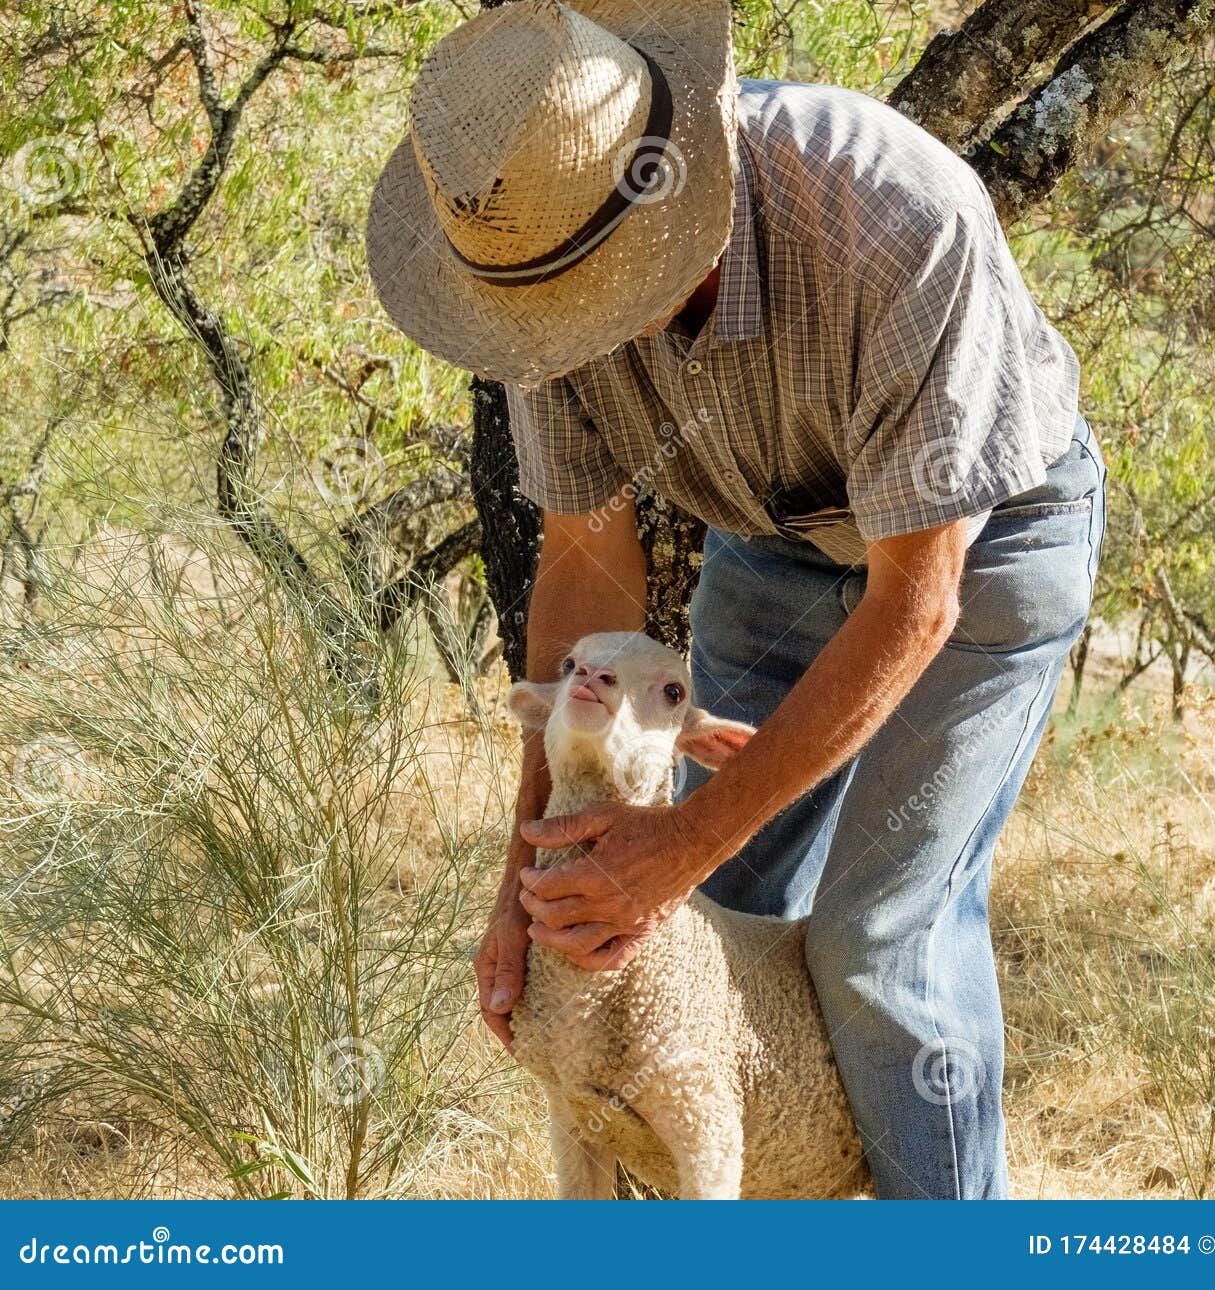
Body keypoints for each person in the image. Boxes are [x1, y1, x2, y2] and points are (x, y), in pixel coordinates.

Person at [367, 0, 1105, 1199]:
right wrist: (524, 883)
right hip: (774, 543)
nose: (570, 330)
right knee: (708, 927)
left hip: (983, 542)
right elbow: (578, 569)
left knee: (880, 942)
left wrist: (685, 839)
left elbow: (917, 599)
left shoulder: (891, 213)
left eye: (597, 288)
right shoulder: (536, 279)